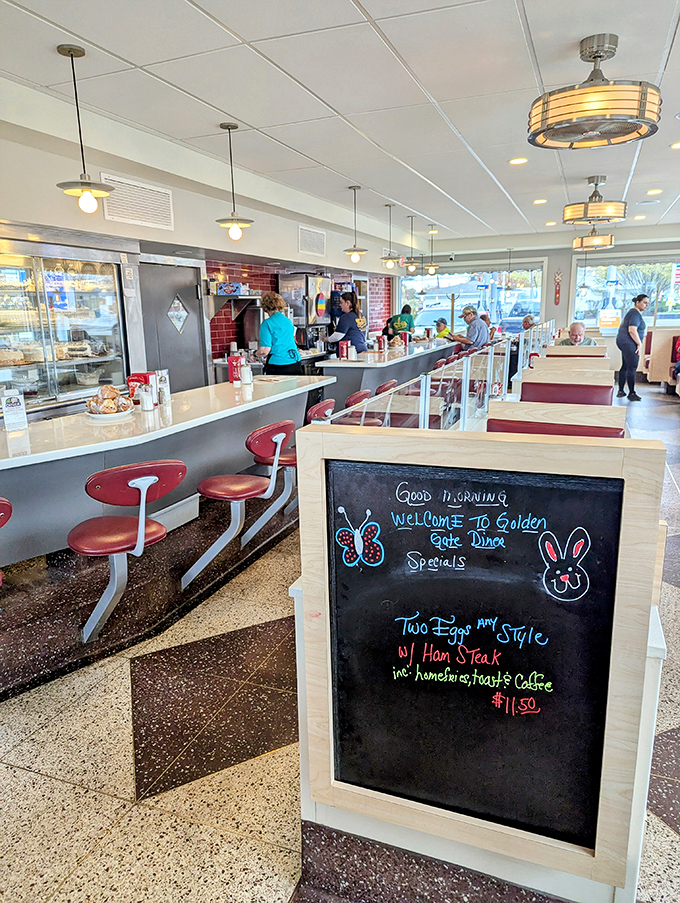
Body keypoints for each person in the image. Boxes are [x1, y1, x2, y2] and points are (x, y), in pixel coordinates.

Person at [257, 291, 302, 375]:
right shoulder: (288, 321)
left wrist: (254, 355)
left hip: (278, 364)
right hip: (294, 361)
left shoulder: (267, 323)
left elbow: (265, 350)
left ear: (265, 307)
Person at [616, 294, 649, 401]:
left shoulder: (631, 313)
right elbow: (632, 330)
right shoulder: (635, 314)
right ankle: (632, 393)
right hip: (630, 343)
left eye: (648, 303)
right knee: (632, 367)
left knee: (625, 366)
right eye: (644, 302)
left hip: (624, 343)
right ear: (637, 302)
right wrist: (639, 343)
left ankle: (621, 391)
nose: (646, 305)